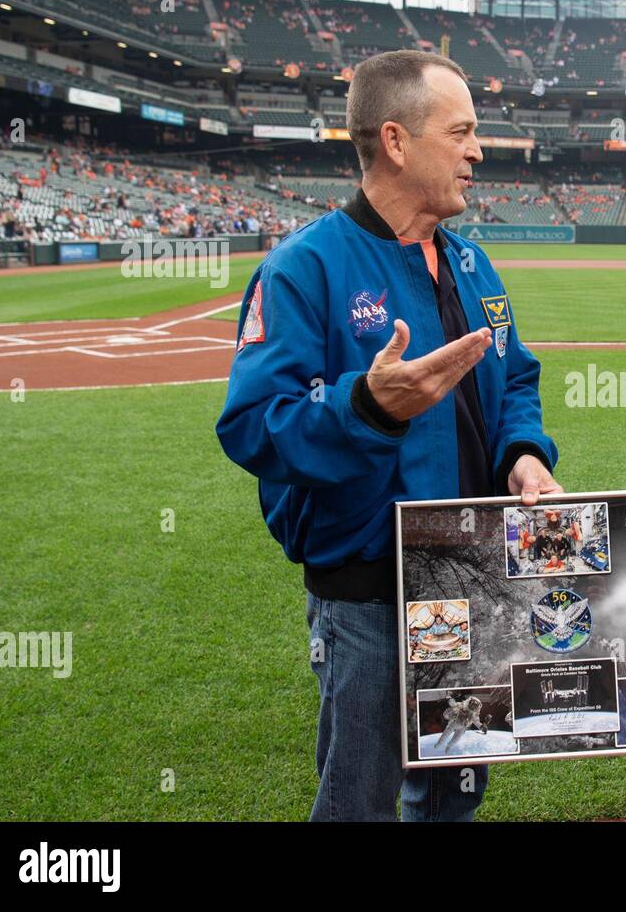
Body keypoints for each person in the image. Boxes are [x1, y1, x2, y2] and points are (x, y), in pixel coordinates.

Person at [216, 50, 562, 822]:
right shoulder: (304, 267)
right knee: (359, 801)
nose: (479, 152)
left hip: (473, 579)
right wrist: (366, 406)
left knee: (453, 790)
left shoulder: (472, 261)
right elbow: (252, 426)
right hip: (368, 594)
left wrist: (526, 454)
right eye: (463, 132)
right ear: (398, 142)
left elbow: (514, 381)